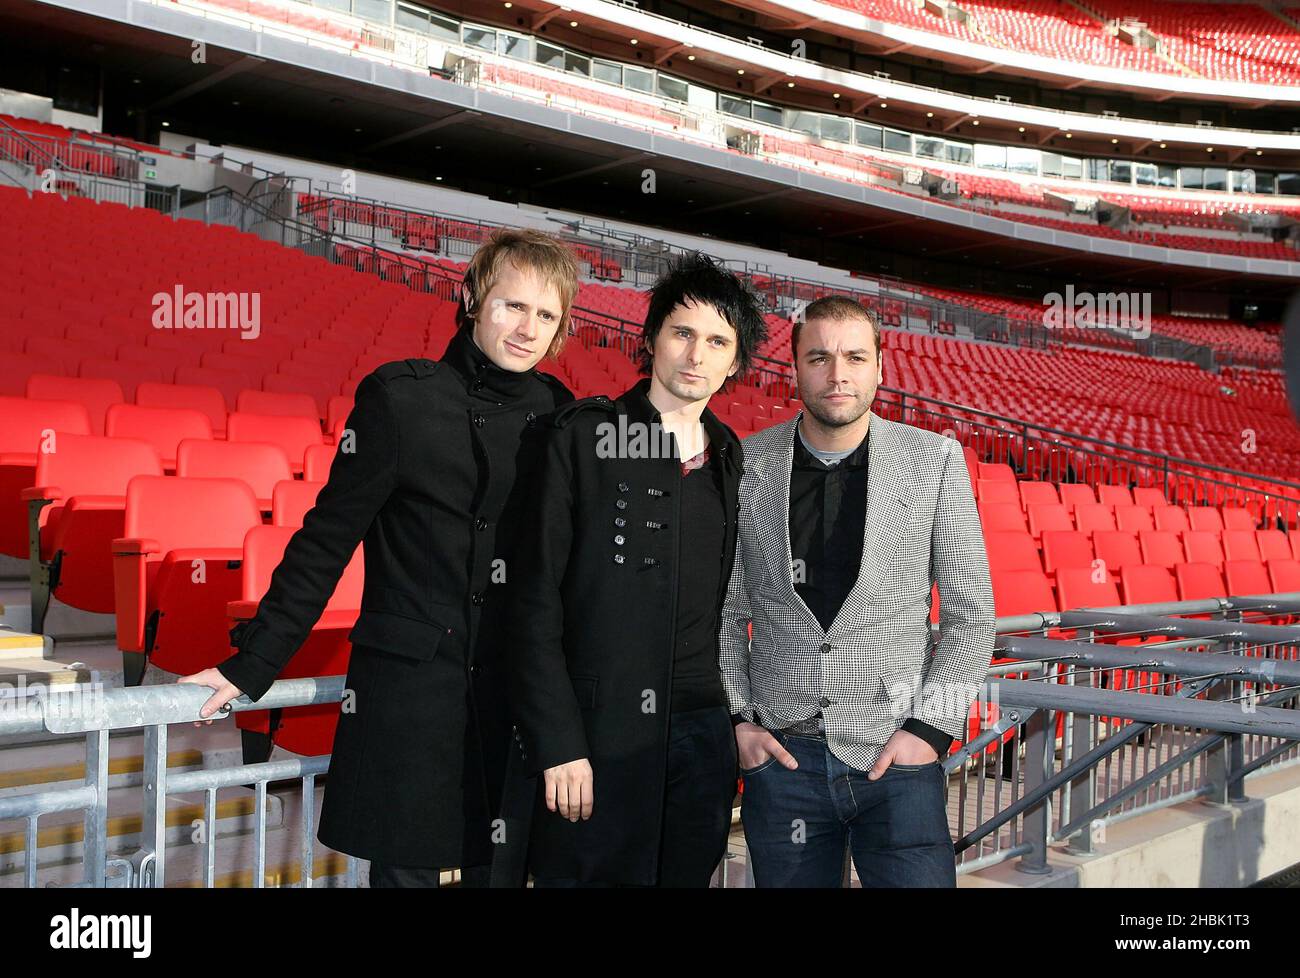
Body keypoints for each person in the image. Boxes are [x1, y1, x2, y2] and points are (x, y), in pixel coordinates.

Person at [177, 228, 579, 888]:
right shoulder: (400, 399)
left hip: (512, 694)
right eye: (512, 305)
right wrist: (252, 663)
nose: (527, 328)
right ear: (474, 298)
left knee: (501, 873)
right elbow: (326, 540)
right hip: (410, 691)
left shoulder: (558, 415)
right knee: (403, 877)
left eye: (546, 315)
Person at [500, 252, 768, 887]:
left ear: (734, 363)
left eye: (716, 341)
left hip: (700, 738)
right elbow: (532, 600)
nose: (696, 355)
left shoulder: (732, 458)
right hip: (597, 737)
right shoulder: (582, 437)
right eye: (682, 333)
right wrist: (559, 742)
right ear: (650, 339)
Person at [720, 294, 994, 888]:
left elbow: (972, 611)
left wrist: (928, 730)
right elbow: (725, 611)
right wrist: (739, 720)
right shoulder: (746, 463)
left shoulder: (934, 460)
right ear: (794, 368)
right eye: (819, 358)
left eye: (854, 357)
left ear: (879, 366)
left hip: (896, 758)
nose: (837, 374)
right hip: (783, 760)